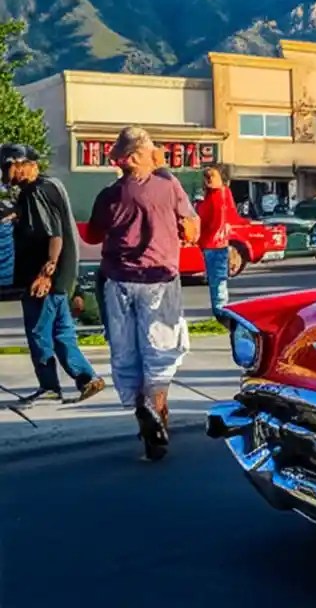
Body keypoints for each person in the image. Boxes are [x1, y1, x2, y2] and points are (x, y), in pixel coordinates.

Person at [84, 127, 198, 461]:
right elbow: (192, 229)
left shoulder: (110, 194)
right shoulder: (169, 186)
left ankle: (143, 418)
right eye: (153, 150)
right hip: (159, 280)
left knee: (126, 353)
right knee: (160, 351)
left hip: (117, 280)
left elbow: (92, 235)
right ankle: (156, 408)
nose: (159, 154)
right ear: (136, 157)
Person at [0, 144, 106, 405]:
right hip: (63, 276)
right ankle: (87, 378)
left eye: (7, 166)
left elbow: (54, 234)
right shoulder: (50, 185)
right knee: (62, 332)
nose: (5, 173)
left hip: (45, 277)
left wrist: (46, 271)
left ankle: (49, 386)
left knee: (38, 332)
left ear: (23, 165)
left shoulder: (35, 192)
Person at [196, 165, 232, 318]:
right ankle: (220, 311)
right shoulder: (212, 195)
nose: (208, 180)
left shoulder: (220, 194)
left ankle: (221, 312)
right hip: (211, 243)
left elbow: (218, 220)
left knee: (217, 280)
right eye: (206, 176)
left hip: (215, 243)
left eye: (212, 176)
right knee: (215, 280)